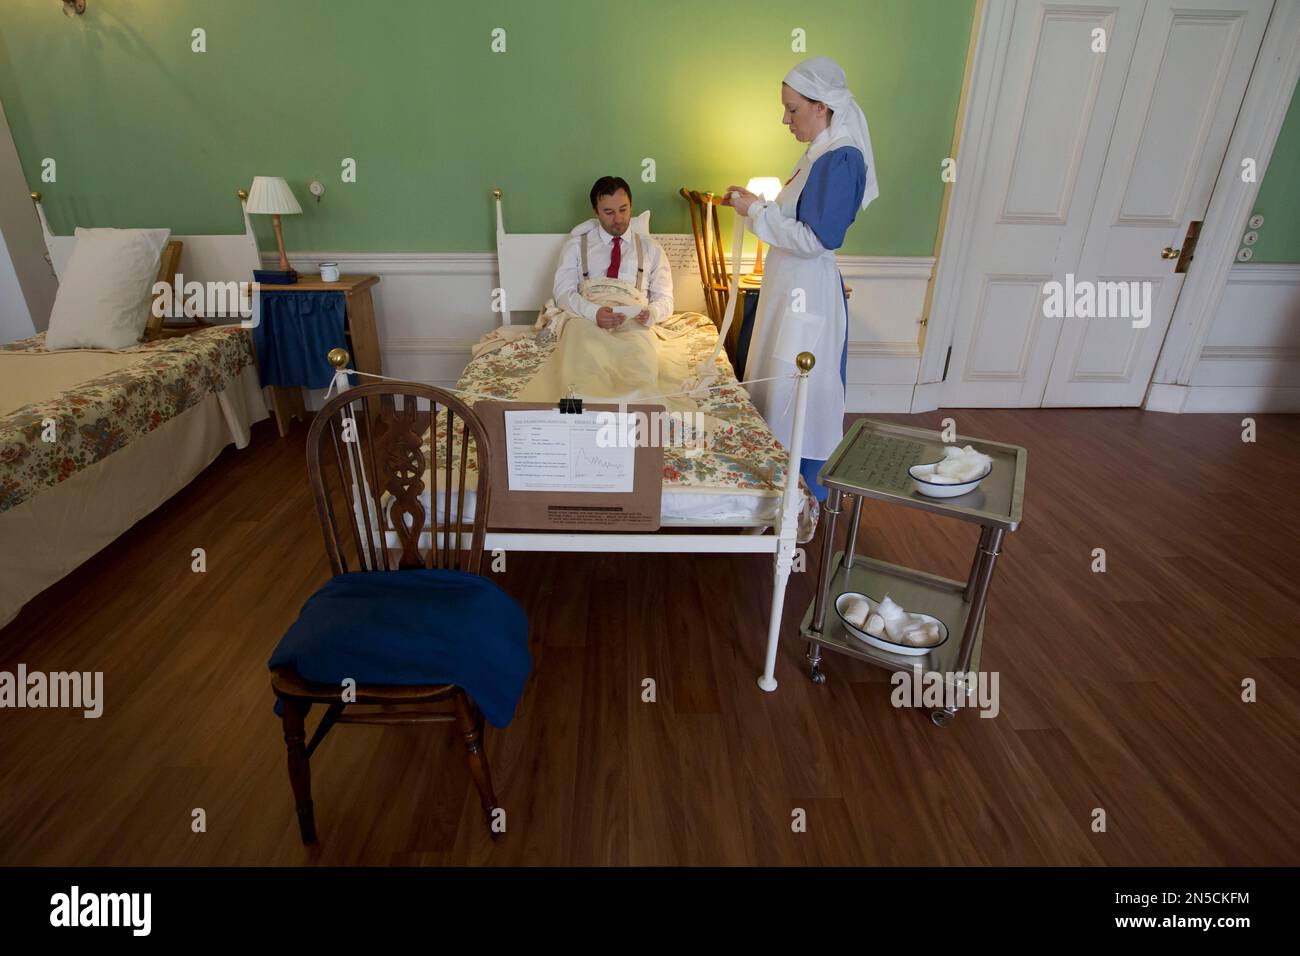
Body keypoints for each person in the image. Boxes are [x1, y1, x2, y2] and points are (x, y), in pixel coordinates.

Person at [723, 56, 879, 501]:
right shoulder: (819, 152)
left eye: (792, 109)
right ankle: (774, 488)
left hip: (807, 294)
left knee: (800, 390)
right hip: (791, 288)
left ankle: (801, 495)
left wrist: (756, 211)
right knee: (779, 384)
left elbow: (816, 239)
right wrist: (757, 205)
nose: (785, 118)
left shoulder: (842, 157)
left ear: (822, 105)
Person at [553, 176, 673, 330]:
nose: (618, 219)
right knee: (584, 350)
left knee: (639, 353)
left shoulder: (652, 249)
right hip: (587, 322)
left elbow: (665, 298)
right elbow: (562, 294)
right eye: (609, 212)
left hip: (634, 324)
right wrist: (593, 312)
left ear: (631, 206)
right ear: (596, 212)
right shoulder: (575, 246)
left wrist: (653, 313)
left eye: (623, 209)